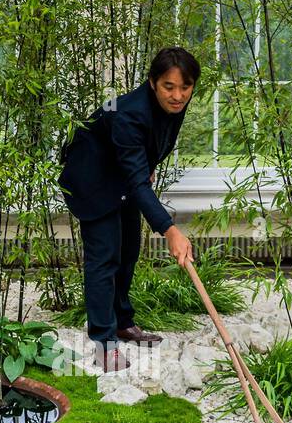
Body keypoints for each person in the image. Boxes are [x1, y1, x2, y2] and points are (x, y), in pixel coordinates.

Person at [58, 47, 199, 373]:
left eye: (185, 87)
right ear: (152, 83)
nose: (177, 96)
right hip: (92, 178)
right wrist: (170, 230)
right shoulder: (129, 113)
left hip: (121, 174)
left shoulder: (172, 106)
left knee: (129, 250)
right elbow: (137, 181)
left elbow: (152, 146)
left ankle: (122, 321)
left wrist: (144, 163)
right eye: (169, 87)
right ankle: (104, 343)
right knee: (104, 257)